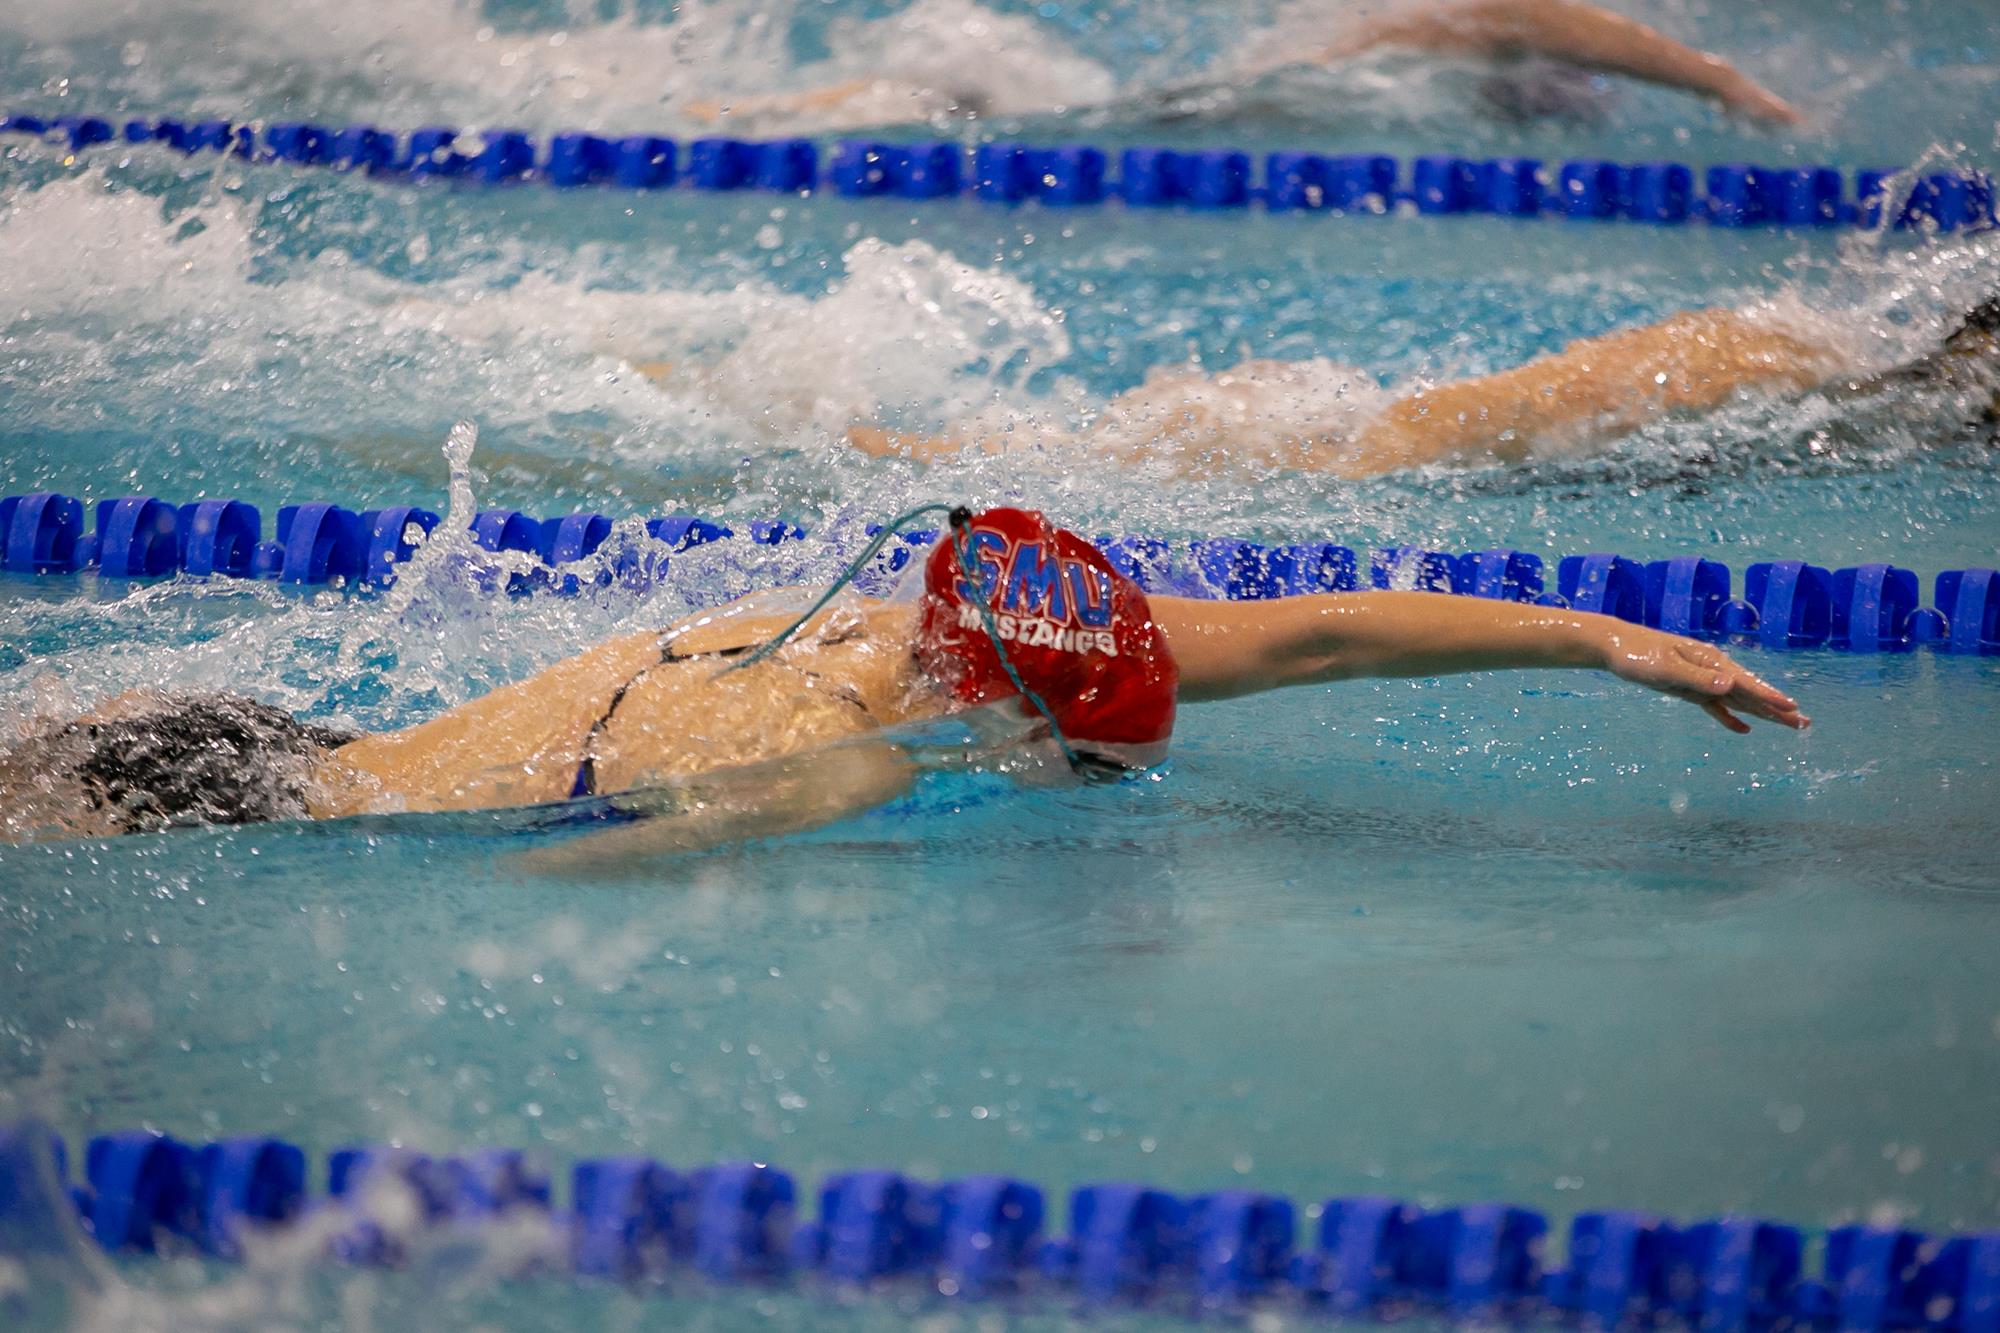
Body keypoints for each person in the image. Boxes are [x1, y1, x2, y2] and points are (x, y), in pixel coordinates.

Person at [0, 506, 1805, 855]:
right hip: (243, 807)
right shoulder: (848, 759)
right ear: (1011, 703)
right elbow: (543, 882)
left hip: (265, 740)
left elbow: (1329, 625)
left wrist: (1606, 635)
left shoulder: (897, 630)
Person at [846, 298, 2000, 477]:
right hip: (1383, 434)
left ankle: (898, 447)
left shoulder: (1792, 361)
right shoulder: (1781, 374)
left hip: (1394, 418)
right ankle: (893, 448)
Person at [685, 0, 1800, 133]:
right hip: (1172, 115)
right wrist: (1724, 85)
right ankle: (725, 116)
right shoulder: (1427, 35)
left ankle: (726, 111)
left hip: (1191, 109)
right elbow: (1512, 14)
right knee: (959, 104)